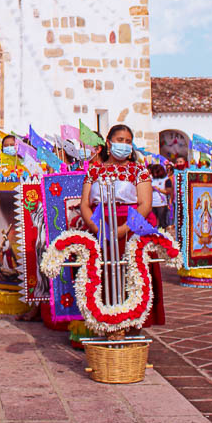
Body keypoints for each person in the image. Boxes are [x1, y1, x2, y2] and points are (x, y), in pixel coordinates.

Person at [80, 123, 165, 328]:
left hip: (130, 228)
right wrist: (97, 228)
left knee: (131, 273)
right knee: (99, 274)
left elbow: (145, 205)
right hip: (98, 226)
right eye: (120, 140)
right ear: (109, 143)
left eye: (128, 142)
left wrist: (122, 230)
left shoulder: (138, 170)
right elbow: (85, 204)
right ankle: (102, 322)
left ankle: (130, 322)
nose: (124, 145)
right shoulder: (94, 170)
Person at [149, 163, 170, 229]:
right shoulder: (151, 180)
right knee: (153, 222)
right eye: (153, 172)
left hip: (161, 204)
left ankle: (163, 233)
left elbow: (167, 192)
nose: (155, 174)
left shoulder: (166, 180)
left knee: (162, 222)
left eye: (156, 172)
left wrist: (158, 189)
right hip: (152, 203)